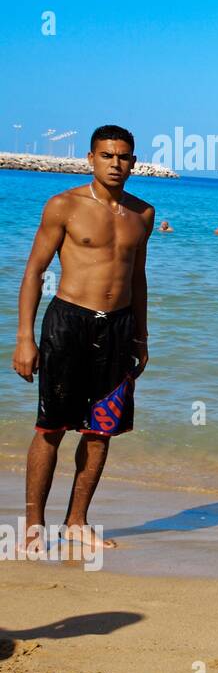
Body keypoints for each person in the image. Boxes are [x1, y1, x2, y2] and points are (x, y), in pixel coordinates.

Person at [11, 125, 153, 554]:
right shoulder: (64, 206)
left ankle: (76, 522)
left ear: (133, 162)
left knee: (100, 431)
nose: (116, 163)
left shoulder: (142, 214)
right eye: (107, 155)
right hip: (69, 323)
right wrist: (24, 338)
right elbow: (34, 272)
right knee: (50, 428)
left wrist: (141, 337)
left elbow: (138, 278)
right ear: (90, 158)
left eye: (124, 156)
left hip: (119, 327)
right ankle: (34, 527)